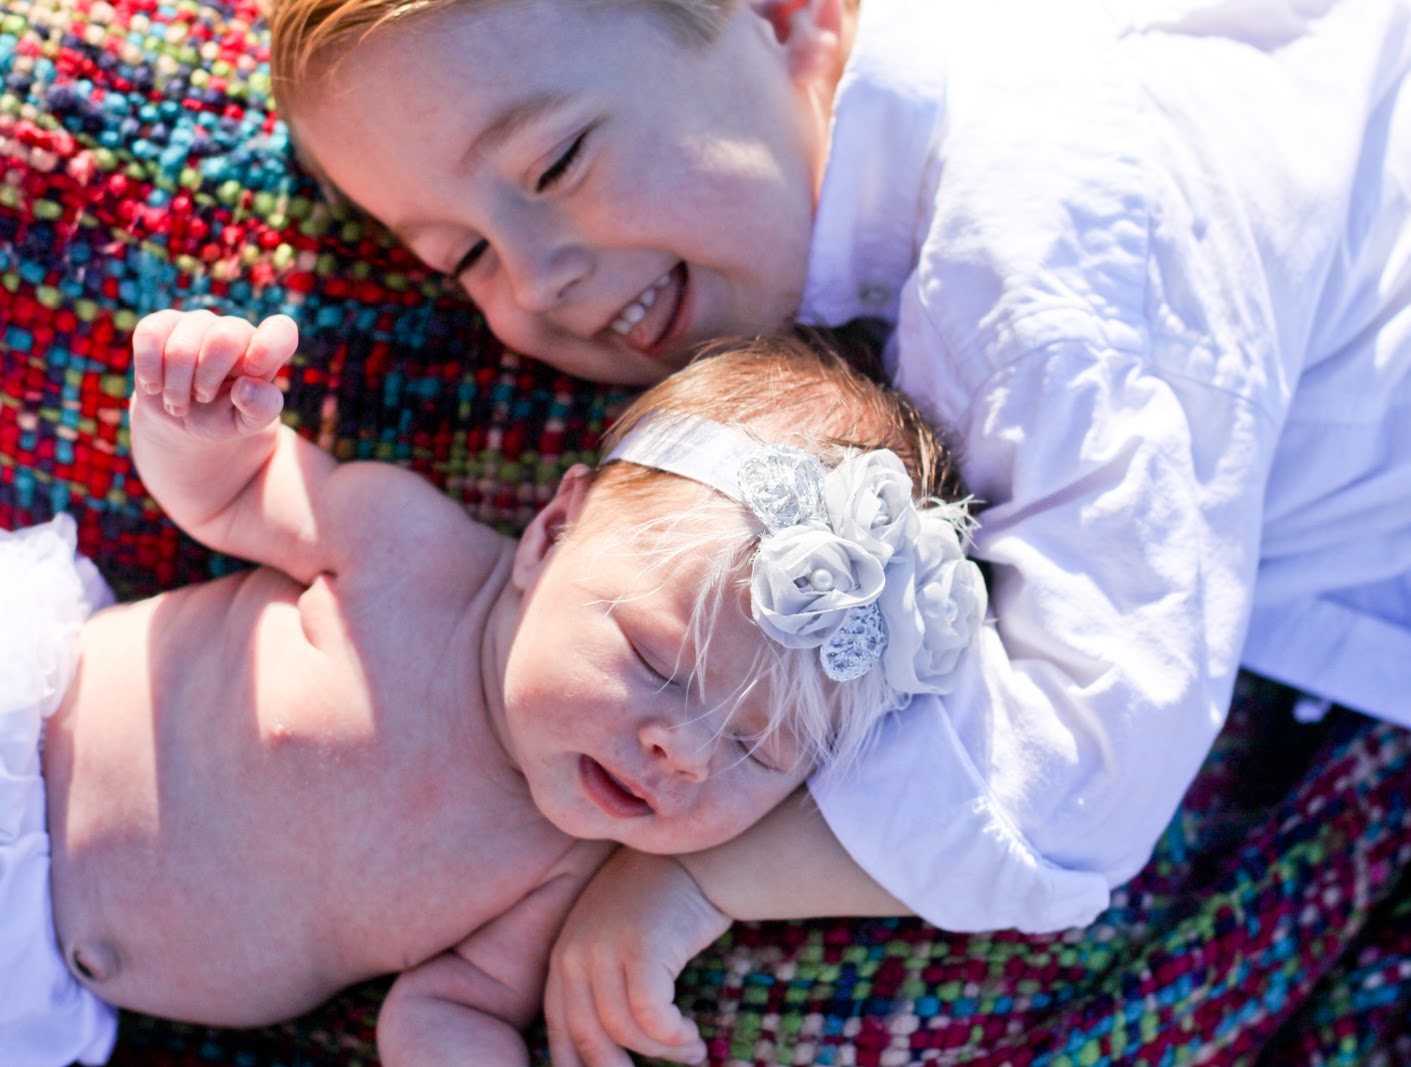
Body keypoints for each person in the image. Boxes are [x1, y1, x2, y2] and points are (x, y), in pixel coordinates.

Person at [261, 0, 1411, 1061]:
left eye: (553, 161)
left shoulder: (1042, 260)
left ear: (782, 13)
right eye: (463, 257)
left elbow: (1069, 784)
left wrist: (699, 877)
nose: (536, 278)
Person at [0, 308, 986, 1067]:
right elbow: (229, 491)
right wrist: (196, 417)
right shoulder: (407, 554)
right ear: (555, 535)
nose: (679, 747)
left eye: (754, 749)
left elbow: (448, 1007)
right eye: (651, 657)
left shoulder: (563, 869)